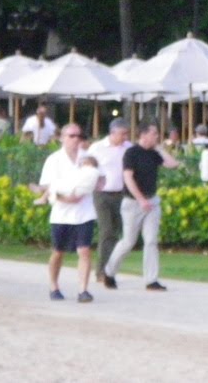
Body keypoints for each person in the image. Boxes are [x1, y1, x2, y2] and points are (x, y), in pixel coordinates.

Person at [103, 123, 181, 291]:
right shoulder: (131, 153)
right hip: (133, 203)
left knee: (151, 241)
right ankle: (109, 271)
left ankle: (151, 280)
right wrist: (140, 199)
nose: (157, 136)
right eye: (154, 133)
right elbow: (128, 178)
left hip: (152, 200)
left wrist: (159, 148)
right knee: (128, 242)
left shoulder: (154, 153)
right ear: (143, 135)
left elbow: (173, 164)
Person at [37, 123, 96, 302]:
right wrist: (64, 198)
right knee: (58, 251)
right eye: (71, 136)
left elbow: (95, 179)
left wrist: (84, 191)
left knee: (84, 250)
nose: (76, 139)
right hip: (61, 213)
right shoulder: (54, 160)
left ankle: (83, 290)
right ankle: (54, 285)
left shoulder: (88, 158)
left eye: (79, 136)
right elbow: (47, 186)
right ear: (62, 138)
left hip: (84, 212)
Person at [87, 118, 130, 288]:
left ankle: (110, 270)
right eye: (122, 134)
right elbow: (87, 166)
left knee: (116, 233)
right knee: (106, 231)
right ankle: (101, 271)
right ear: (112, 133)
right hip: (102, 194)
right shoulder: (97, 148)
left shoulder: (128, 148)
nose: (125, 137)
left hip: (121, 194)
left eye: (126, 134)